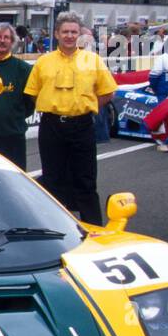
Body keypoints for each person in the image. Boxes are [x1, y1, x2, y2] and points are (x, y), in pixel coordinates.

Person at [24, 12, 117, 225]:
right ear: (57, 34)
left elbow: (107, 92)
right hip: (52, 126)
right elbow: (33, 92)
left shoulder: (93, 60)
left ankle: (93, 228)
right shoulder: (43, 62)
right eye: (65, 31)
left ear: (80, 34)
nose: (69, 36)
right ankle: (56, 227)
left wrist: (85, 107)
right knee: (52, 179)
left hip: (82, 125)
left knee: (85, 180)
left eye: (73, 32)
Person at [0, 22, 35, 168]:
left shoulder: (23, 68)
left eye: (6, 37)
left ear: (12, 42)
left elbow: (30, 102)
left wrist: (15, 116)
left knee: (15, 176)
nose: (2, 40)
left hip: (14, 133)